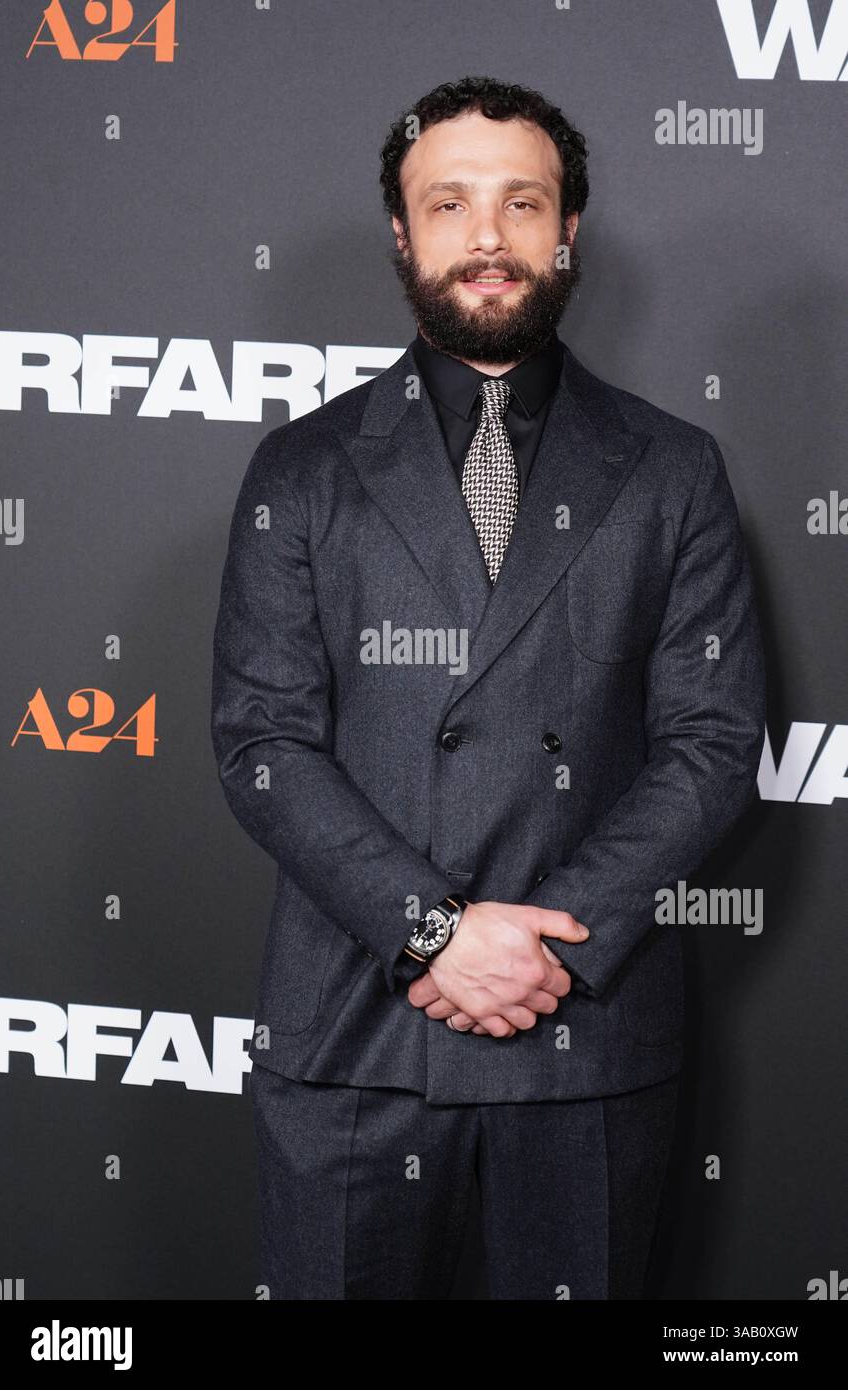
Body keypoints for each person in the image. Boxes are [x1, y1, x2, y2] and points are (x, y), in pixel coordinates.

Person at [211, 75, 766, 1300]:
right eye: (449, 203)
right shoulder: (300, 469)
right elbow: (262, 741)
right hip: (356, 1032)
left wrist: (540, 950)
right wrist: (434, 933)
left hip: (584, 1036)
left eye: (523, 203)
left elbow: (713, 743)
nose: (488, 237)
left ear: (567, 231)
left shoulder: (673, 469)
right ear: (403, 236)